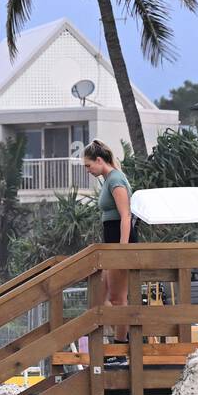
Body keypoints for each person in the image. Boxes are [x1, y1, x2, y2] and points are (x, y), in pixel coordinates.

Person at [84, 139, 136, 360]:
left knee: (117, 298)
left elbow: (126, 215)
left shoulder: (115, 178)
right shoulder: (107, 179)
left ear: (99, 160)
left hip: (119, 241)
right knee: (101, 295)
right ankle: (114, 341)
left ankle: (120, 347)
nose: (87, 170)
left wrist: (122, 249)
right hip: (110, 241)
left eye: (88, 166)